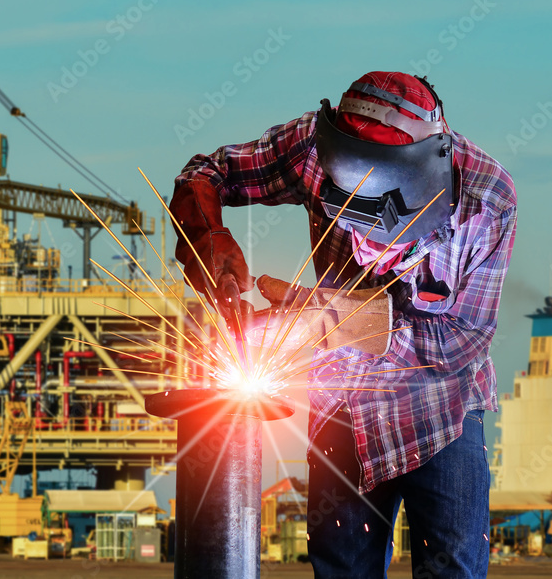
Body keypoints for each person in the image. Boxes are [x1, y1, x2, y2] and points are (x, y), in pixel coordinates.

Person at [169, 71, 516, 578]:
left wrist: (328, 321)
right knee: (343, 570)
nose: (363, 244)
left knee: (453, 570)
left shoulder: (484, 199)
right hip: (344, 404)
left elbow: (462, 338)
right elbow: (205, 172)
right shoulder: (311, 148)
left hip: (443, 411)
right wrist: (207, 235)